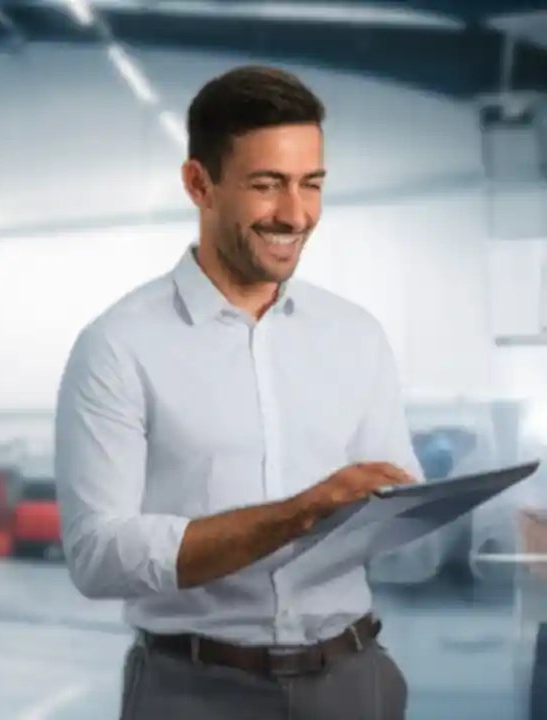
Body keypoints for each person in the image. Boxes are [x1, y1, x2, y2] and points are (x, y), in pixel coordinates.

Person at [54, 65, 420, 719]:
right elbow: (97, 556)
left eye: (312, 184)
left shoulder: (356, 335)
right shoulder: (118, 345)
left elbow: (393, 496)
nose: (296, 213)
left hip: (353, 680)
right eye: (266, 185)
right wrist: (296, 513)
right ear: (200, 184)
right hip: (196, 691)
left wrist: (407, 508)